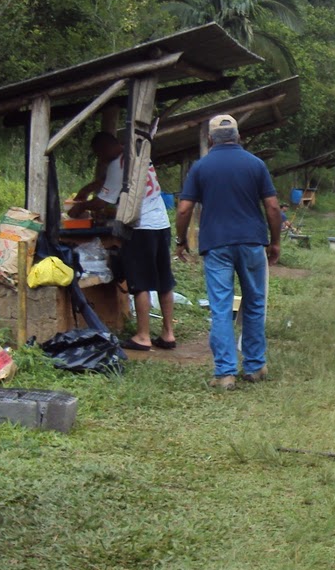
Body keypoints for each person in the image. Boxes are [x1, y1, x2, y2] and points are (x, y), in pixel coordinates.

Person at [175, 114, 283, 388]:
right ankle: (255, 366)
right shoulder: (255, 164)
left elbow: (184, 208)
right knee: (254, 303)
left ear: (210, 139)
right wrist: (275, 241)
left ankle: (224, 373)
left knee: (221, 308)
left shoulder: (200, 167)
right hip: (251, 243)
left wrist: (180, 241)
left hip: (217, 245)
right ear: (238, 137)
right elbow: (272, 207)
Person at [76, 130, 175, 352]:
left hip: (140, 227)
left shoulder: (116, 164)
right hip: (161, 224)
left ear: (103, 149)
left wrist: (82, 205)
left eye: (98, 154)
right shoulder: (138, 156)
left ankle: (143, 336)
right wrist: (91, 187)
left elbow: (102, 202)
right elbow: (113, 183)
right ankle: (168, 333)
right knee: (163, 280)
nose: (100, 159)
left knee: (140, 283)